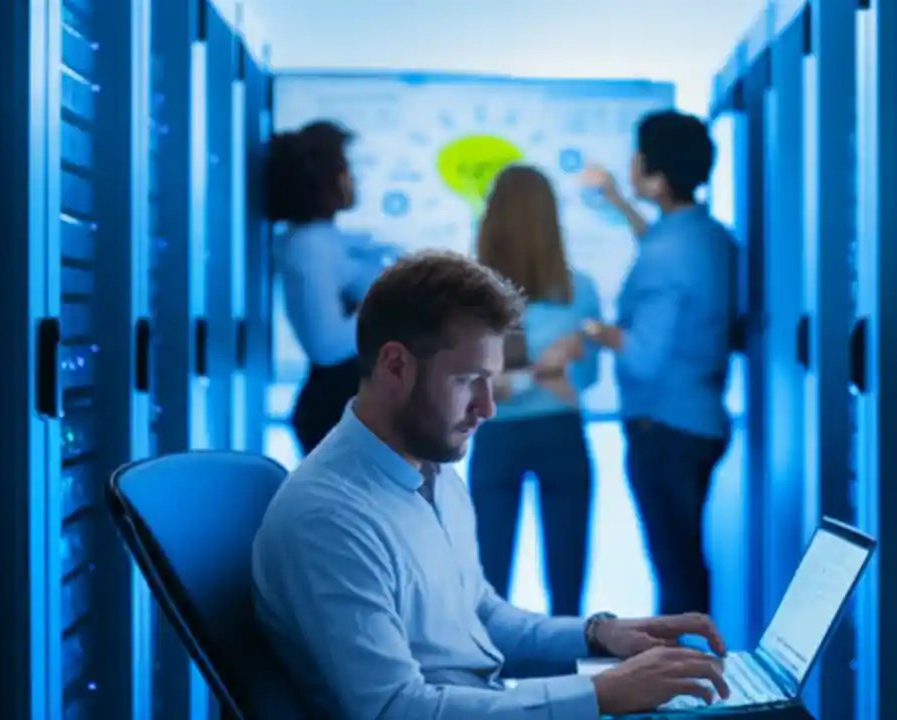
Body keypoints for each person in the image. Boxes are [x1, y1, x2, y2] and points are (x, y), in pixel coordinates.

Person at [251, 251, 730, 718]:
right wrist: (598, 696)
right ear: (395, 366)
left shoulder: (433, 472)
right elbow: (396, 709)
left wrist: (599, 635)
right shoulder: (330, 519)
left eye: (490, 380)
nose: (487, 407)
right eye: (468, 380)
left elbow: (479, 619)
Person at [580, 110, 735, 616]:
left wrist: (589, 330)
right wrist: (619, 202)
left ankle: (685, 664)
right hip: (702, 420)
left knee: (676, 576)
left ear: (657, 175)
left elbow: (644, 356)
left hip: (665, 429)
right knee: (685, 565)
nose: (630, 163)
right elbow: (662, 247)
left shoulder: (665, 253)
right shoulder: (708, 236)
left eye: (638, 156)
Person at [470, 165, 600, 616]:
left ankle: (488, 664)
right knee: (567, 591)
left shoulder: (471, 295)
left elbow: (478, 381)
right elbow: (583, 379)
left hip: (496, 435)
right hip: (560, 431)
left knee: (488, 587)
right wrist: (547, 370)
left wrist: (517, 377)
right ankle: (567, 664)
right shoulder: (580, 290)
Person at [269, 120, 396, 455]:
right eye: (347, 169)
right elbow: (325, 346)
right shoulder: (309, 245)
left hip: (349, 405)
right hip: (334, 409)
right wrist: (386, 308)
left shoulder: (323, 239)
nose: (353, 180)